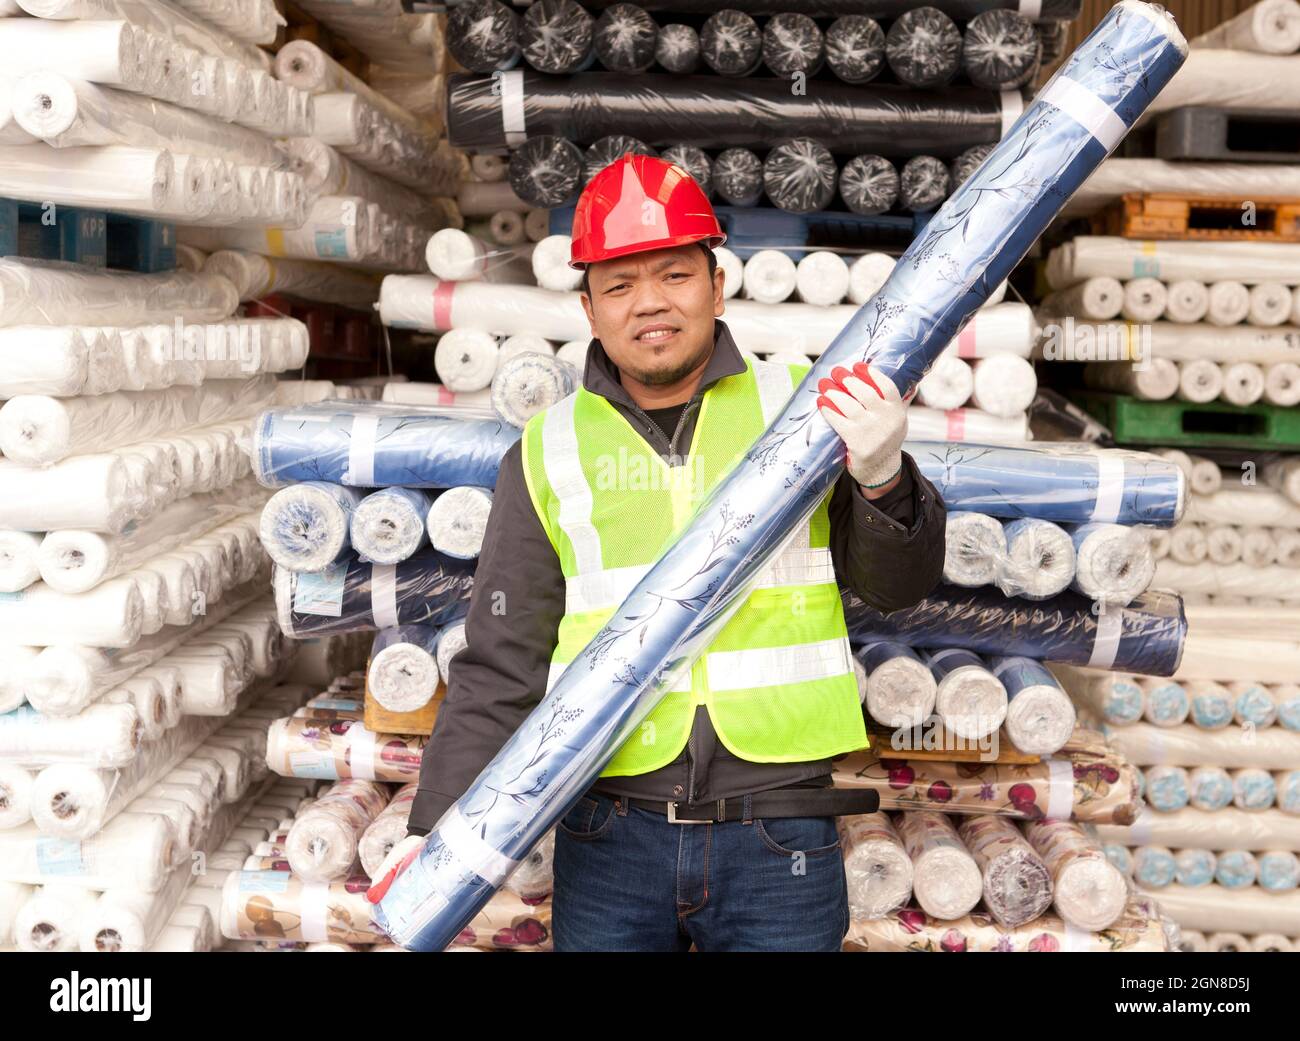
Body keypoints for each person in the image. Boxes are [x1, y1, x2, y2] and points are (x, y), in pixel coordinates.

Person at [368, 154, 946, 952]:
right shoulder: (548, 450)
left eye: (674, 275)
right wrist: (428, 829)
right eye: (620, 285)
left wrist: (884, 478)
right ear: (589, 308)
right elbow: (502, 662)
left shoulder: (802, 410)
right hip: (610, 834)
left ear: (717, 283)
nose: (650, 304)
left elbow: (897, 590)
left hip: (779, 833)